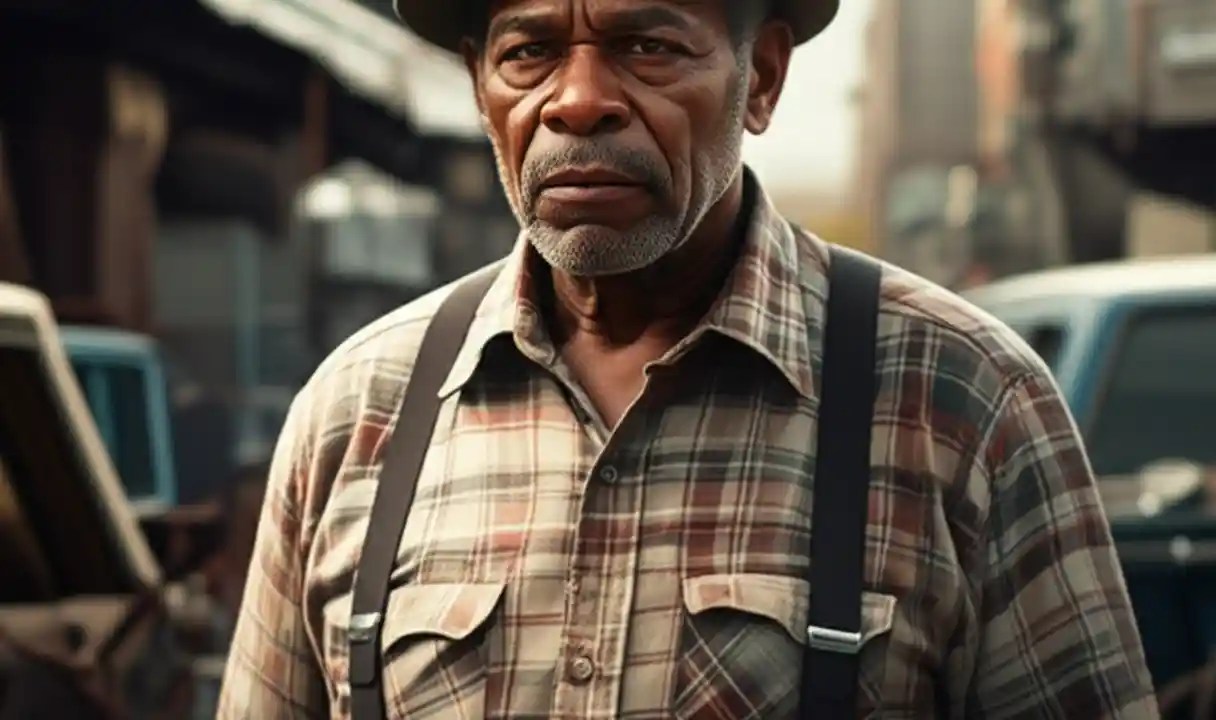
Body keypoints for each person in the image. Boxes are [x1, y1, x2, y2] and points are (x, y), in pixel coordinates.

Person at [217, 1, 1158, 717]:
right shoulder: (359, 411)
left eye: (648, 46)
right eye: (529, 52)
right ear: (481, 89)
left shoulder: (963, 399)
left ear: (762, 80)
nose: (578, 101)